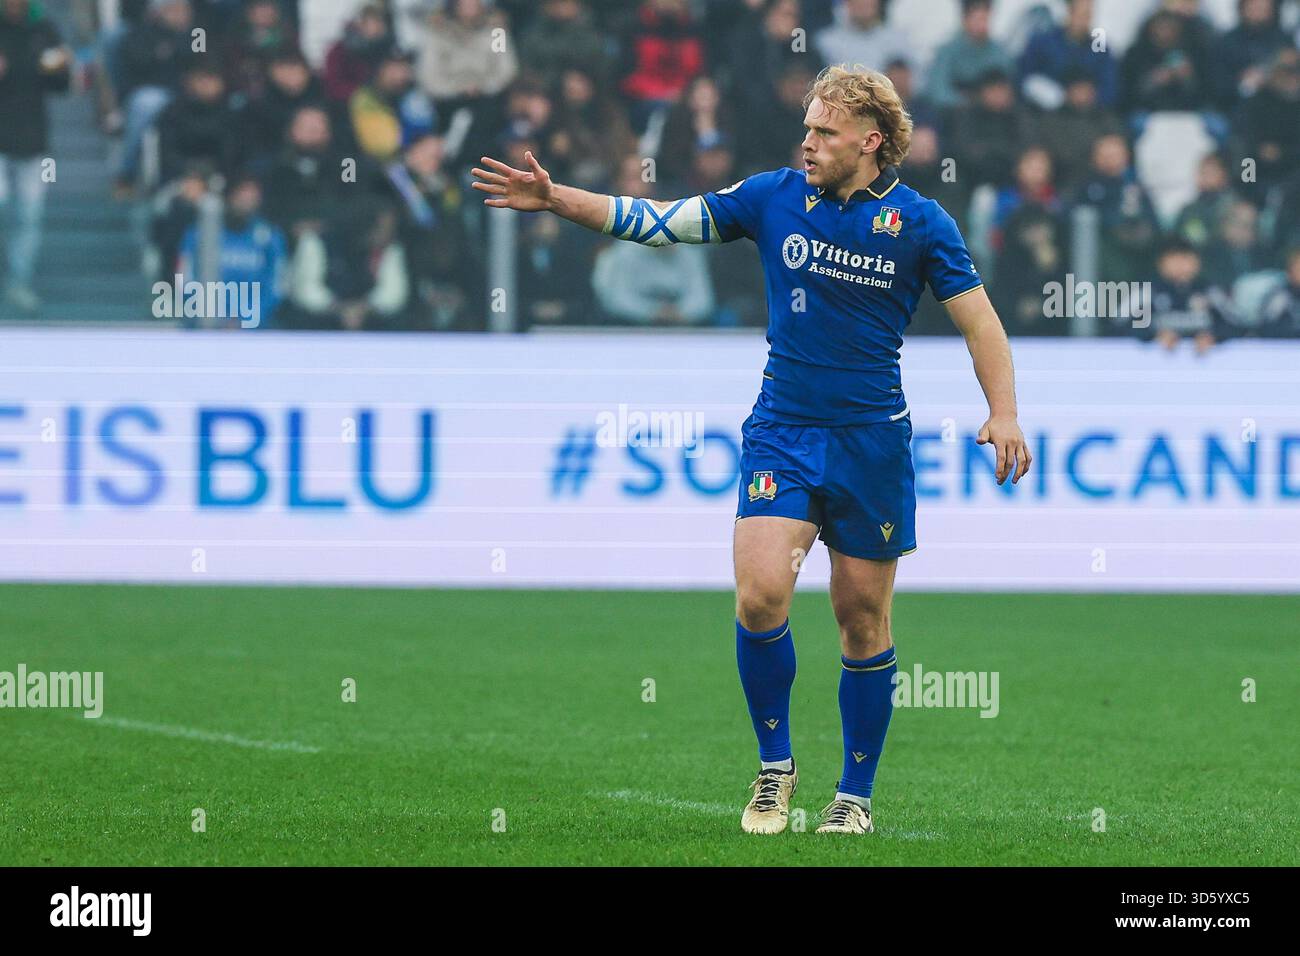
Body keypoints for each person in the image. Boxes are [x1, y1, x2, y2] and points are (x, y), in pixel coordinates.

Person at [471, 64, 1031, 836]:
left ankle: (854, 798)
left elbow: (982, 325)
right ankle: (776, 769)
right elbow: (658, 220)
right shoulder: (771, 197)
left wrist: (1003, 412)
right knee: (762, 592)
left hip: (871, 442)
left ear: (870, 142)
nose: (806, 142)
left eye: (823, 133)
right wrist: (555, 198)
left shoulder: (922, 225)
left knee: (861, 619)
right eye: (806, 127)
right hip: (783, 430)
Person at [0, 0, 71, 312]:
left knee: (29, 217)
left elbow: (61, 85)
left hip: (34, 141)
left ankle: (19, 283)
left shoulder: (44, 30)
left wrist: (63, 66)